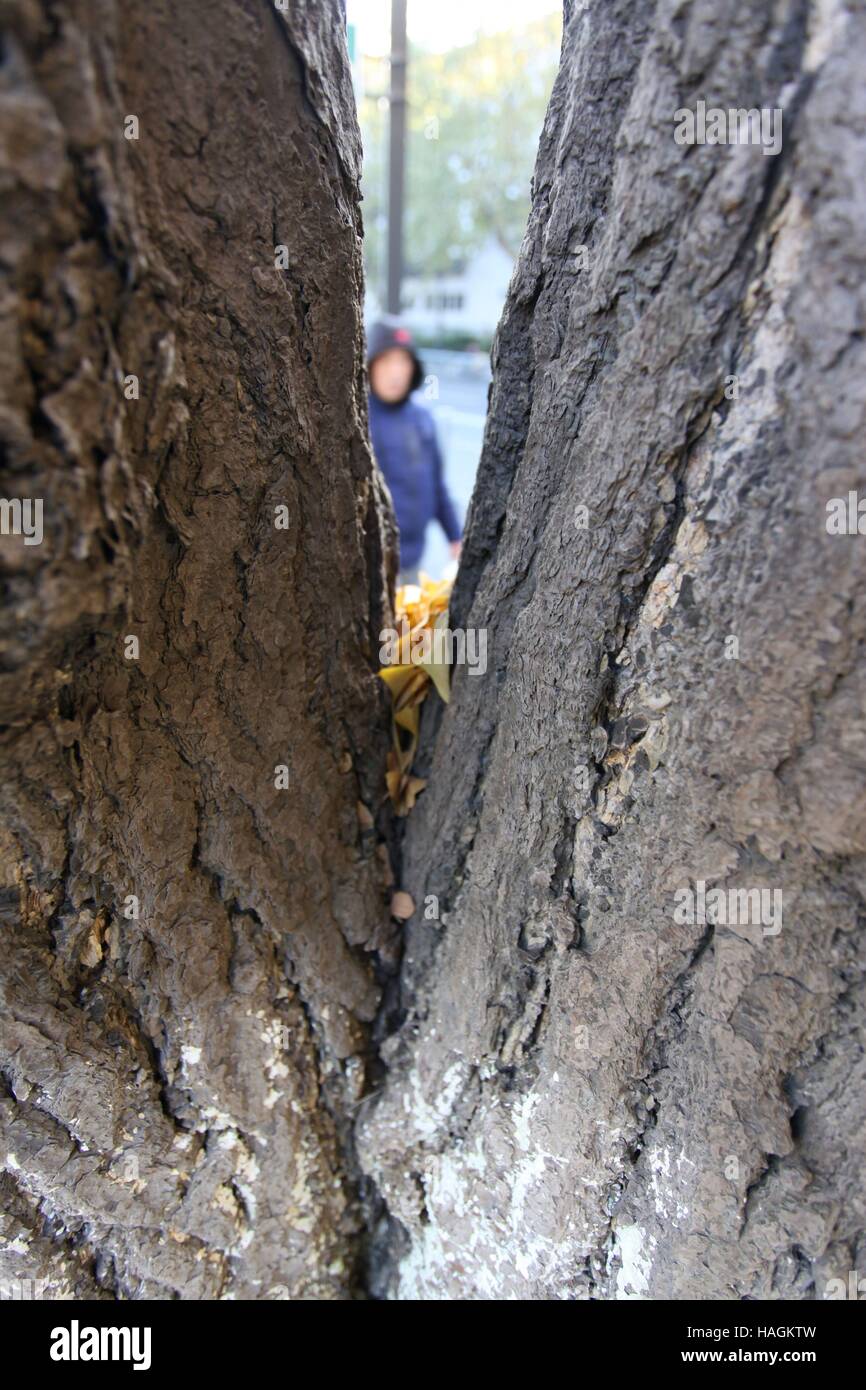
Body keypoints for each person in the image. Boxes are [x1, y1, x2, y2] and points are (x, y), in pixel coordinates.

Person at [367, 319, 462, 584]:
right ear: (370, 365)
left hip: (413, 560)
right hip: (368, 565)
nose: (396, 372)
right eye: (386, 361)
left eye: (403, 361)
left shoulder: (423, 419)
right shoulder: (358, 419)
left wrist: (455, 536)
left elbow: (437, 484)